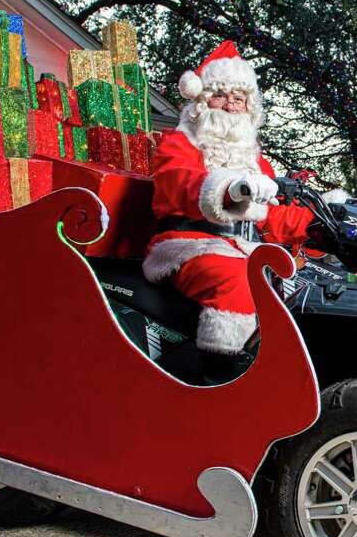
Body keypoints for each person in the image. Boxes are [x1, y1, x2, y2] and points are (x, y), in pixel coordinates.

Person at [142, 40, 343, 376]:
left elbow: (271, 217)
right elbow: (182, 184)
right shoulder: (179, 144)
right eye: (221, 96)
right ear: (202, 101)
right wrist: (229, 187)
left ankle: (275, 368)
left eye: (239, 99)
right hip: (188, 245)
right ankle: (219, 375)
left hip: (245, 245)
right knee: (235, 279)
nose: (231, 107)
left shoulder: (254, 160)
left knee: (297, 283)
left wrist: (322, 221)